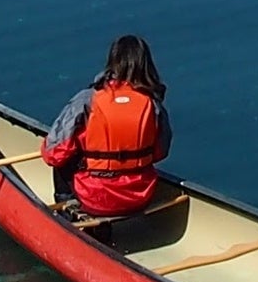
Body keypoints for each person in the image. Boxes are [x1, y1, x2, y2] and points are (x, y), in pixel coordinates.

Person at [43, 34, 173, 224]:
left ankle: (67, 216)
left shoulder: (87, 99)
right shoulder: (153, 105)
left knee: (63, 160)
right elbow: (160, 152)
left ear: (112, 62)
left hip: (95, 199)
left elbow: (53, 154)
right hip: (140, 196)